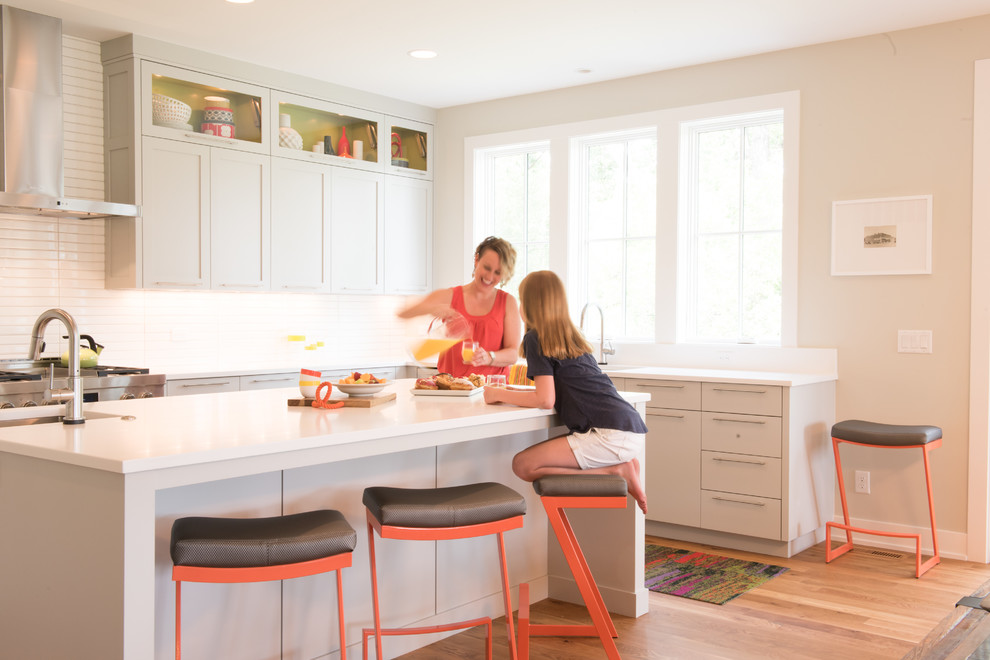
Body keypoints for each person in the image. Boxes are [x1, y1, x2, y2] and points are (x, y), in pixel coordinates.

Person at [482, 270, 648, 514]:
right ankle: (622, 466)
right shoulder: (573, 336)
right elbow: (556, 390)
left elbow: (544, 398)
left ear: (529, 304)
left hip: (608, 435)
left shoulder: (535, 338)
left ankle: (616, 470)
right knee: (525, 464)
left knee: (522, 466)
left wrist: (497, 394)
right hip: (629, 429)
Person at [398, 236, 521, 378]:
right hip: (451, 389)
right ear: (476, 260)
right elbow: (403, 313)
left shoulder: (508, 302)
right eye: (487, 267)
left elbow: (512, 354)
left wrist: (489, 357)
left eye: (498, 272)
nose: (489, 276)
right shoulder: (451, 296)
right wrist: (432, 309)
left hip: (492, 392)